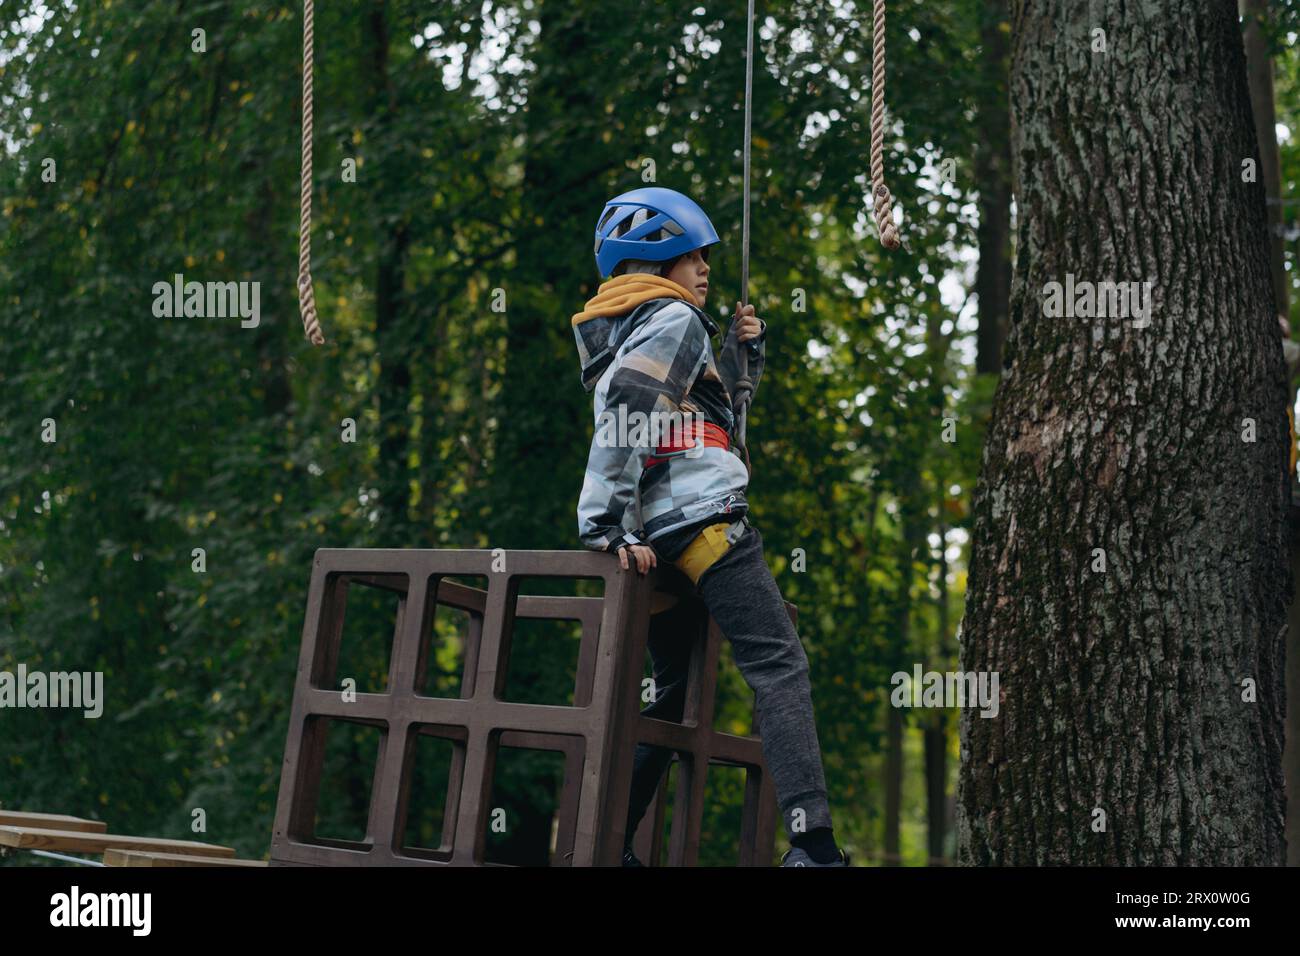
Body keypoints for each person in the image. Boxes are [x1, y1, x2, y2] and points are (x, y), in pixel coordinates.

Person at [570, 185, 848, 866]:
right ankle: (813, 846)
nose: (706, 268)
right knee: (779, 665)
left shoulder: (631, 329)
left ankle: (613, 848)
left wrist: (740, 358)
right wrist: (601, 522)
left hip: (663, 535)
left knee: (670, 694)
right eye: (693, 256)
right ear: (656, 260)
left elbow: (704, 422)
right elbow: (632, 415)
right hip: (707, 528)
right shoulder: (671, 320)